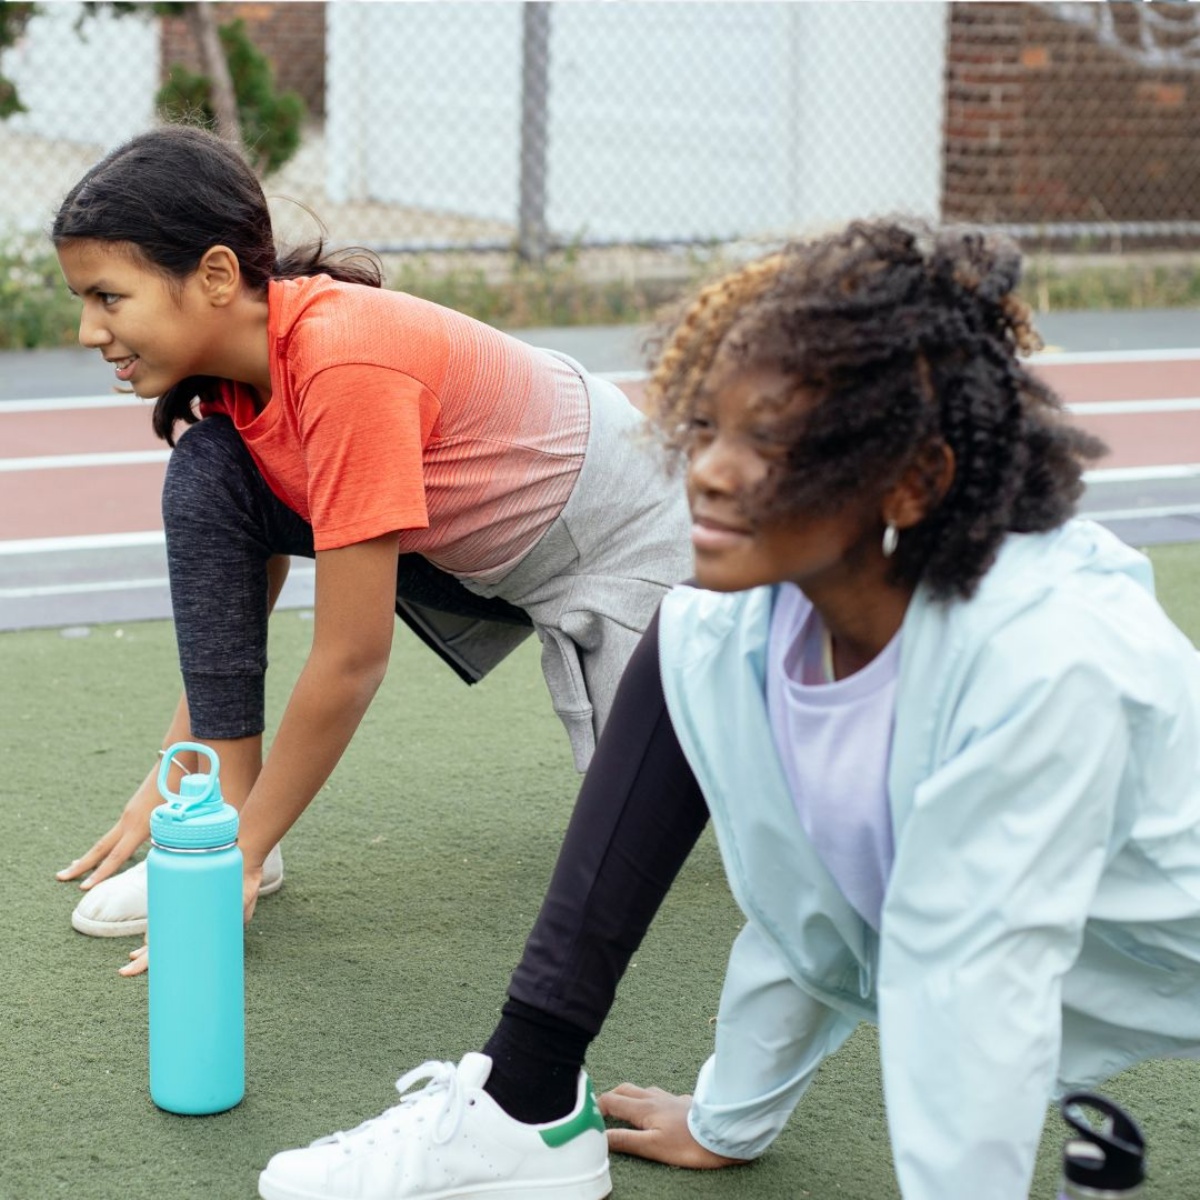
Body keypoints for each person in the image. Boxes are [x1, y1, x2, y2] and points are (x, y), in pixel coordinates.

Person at [257, 219, 1200, 1200]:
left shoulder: (1045, 669)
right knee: (685, 646)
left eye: (773, 439)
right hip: (1035, 961)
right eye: (705, 427)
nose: (706, 468)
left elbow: (971, 1003)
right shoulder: (737, 643)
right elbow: (816, 897)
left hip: (1148, 953)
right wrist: (728, 1119)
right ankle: (521, 1100)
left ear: (916, 481)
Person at [51, 124, 692, 974]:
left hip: (622, 531)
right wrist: (190, 785)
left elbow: (352, 657)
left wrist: (231, 862)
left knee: (713, 798)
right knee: (209, 475)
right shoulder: (244, 383)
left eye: (108, 297)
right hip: (476, 544)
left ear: (213, 276)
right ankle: (231, 813)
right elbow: (245, 576)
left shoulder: (342, 365)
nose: (91, 331)